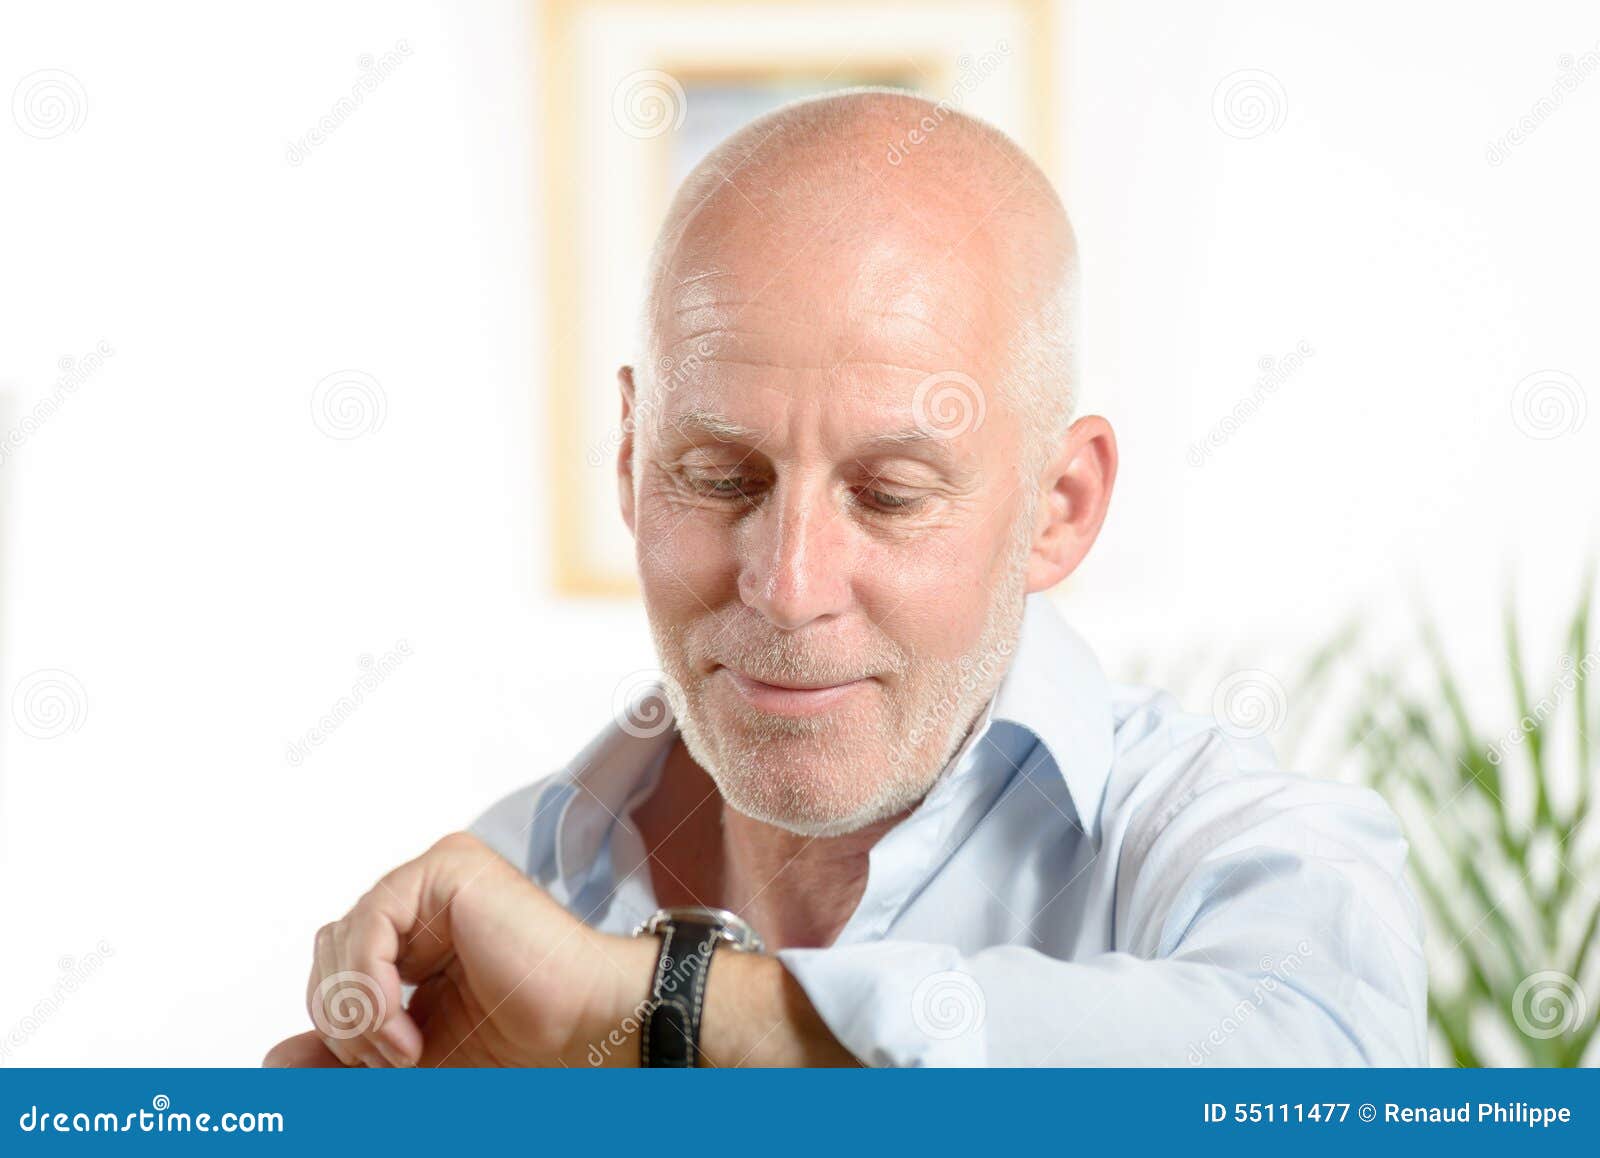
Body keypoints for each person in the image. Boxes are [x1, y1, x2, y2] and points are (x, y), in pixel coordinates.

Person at [264, 89, 1426, 1068]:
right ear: (630, 462)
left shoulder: (1224, 848)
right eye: (717, 476)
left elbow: (1328, 1076)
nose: (786, 583)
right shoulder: (515, 889)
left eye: (890, 494)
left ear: (1057, 509)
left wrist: (651, 1014)